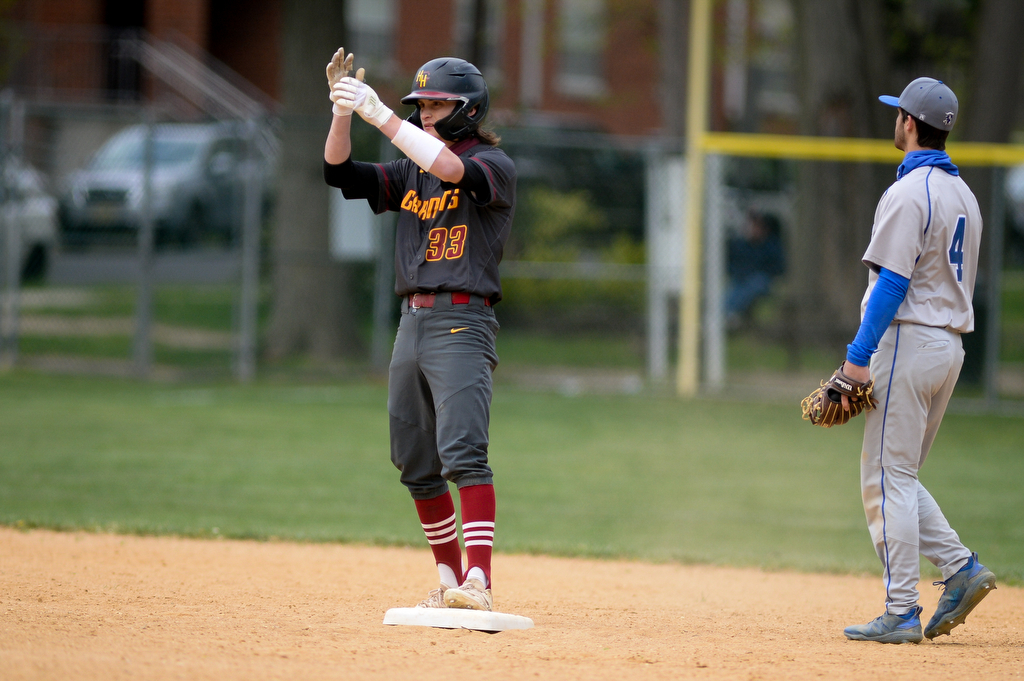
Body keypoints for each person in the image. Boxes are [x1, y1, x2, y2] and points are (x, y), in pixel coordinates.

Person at [322, 50, 515, 612]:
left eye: (437, 104)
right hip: (413, 321)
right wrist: (341, 113)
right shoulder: (410, 168)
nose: (425, 113)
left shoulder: (492, 163)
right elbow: (338, 173)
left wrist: (383, 115)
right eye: (421, 104)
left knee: (463, 453)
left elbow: (451, 169)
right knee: (413, 459)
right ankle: (450, 580)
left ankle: (478, 581)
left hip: (462, 319)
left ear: (469, 109)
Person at [841, 77, 996, 644]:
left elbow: (891, 285)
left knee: (886, 479)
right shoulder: (965, 197)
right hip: (948, 348)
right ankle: (961, 570)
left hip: (908, 342)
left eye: (897, 114)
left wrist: (857, 359)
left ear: (908, 123)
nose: (896, 121)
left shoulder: (909, 192)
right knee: (899, 475)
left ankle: (900, 610)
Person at [725, 210, 785, 328]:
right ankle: (727, 313)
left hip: (762, 281)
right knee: (734, 288)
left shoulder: (771, 246)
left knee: (753, 283)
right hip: (741, 279)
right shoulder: (741, 245)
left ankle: (730, 313)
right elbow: (732, 264)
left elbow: (778, 268)